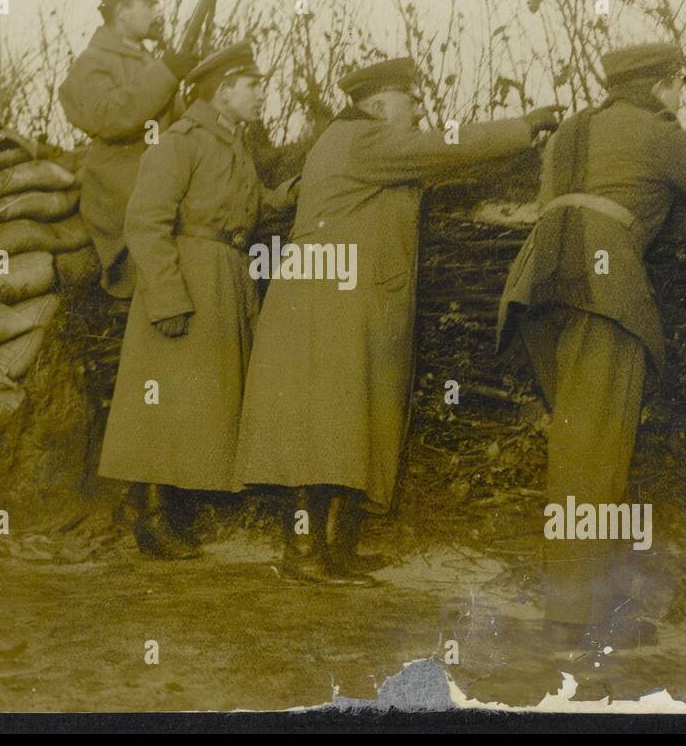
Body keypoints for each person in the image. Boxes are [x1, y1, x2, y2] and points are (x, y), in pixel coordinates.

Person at [235, 57, 562, 585]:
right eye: (410, 101)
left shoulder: (361, 145)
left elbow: (431, 170)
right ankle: (302, 555)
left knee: (342, 426)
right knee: (319, 431)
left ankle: (333, 551)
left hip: (337, 301)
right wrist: (525, 127)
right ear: (380, 103)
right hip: (328, 304)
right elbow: (446, 146)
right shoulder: (365, 140)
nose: (417, 113)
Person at [495, 42, 686, 650]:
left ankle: (580, 602)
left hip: (537, 286)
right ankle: (575, 619)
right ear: (660, 86)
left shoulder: (572, 129)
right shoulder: (656, 130)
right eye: (676, 86)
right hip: (602, 287)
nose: (679, 97)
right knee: (591, 454)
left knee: (574, 442)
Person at [98, 41, 296, 559]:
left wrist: (292, 195)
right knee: (169, 399)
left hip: (224, 275)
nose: (261, 96)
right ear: (224, 89)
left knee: (197, 402)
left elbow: (243, 206)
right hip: (187, 276)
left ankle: (167, 511)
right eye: (253, 86)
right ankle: (153, 516)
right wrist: (166, 296)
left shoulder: (231, 143)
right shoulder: (179, 143)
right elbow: (145, 222)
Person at [58, 0, 200, 298]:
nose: (158, 12)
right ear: (122, 11)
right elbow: (108, 117)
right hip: (123, 201)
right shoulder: (92, 62)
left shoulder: (147, 59)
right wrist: (165, 72)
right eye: (148, 5)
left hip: (162, 194)